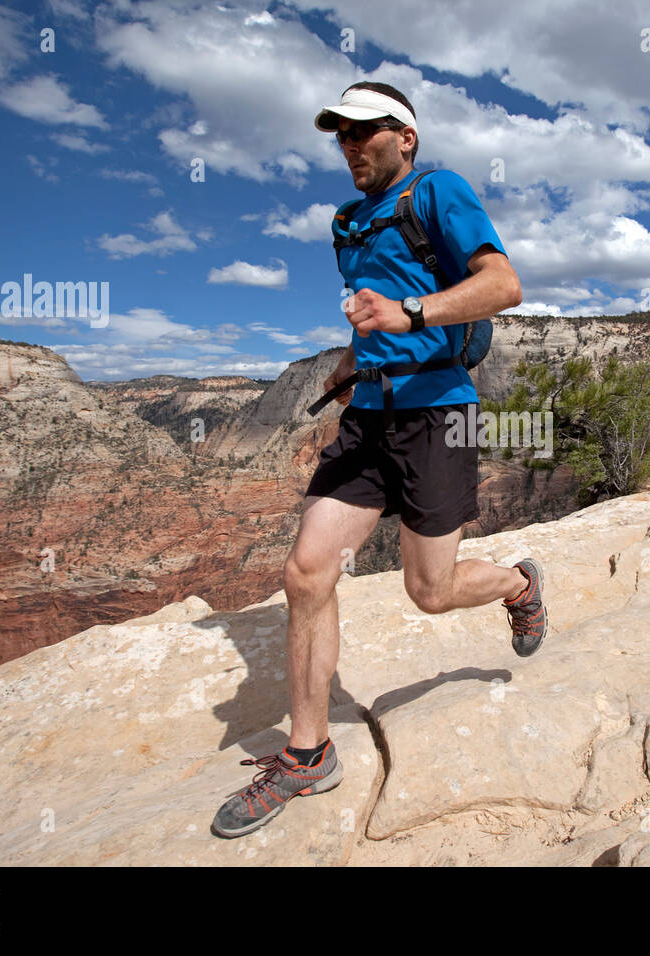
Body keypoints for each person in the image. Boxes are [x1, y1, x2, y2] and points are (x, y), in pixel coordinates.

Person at [212, 81, 548, 839]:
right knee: (306, 572)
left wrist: (413, 313)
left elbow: (505, 284)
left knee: (428, 592)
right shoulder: (346, 221)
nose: (350, 144)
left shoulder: (439, 192)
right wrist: (349, 364)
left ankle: (519, 584)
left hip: (440, 416)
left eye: (364, 131)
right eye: (340, 134)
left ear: (406, 136)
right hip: (368, 412)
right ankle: (307, 755)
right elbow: (371, 308)